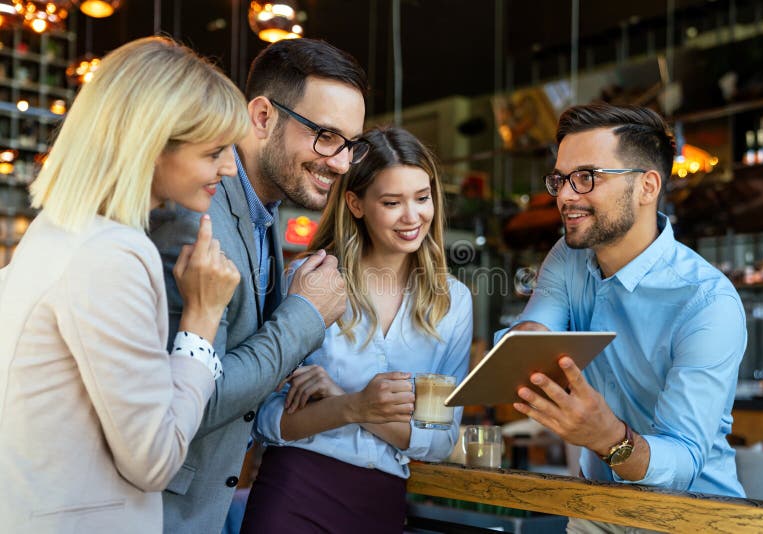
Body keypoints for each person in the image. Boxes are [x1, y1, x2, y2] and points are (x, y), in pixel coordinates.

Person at [0, 36, 248, 533]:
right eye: (215, 151)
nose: (229, 167)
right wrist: (201, 320)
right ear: (153, 146)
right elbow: (154, 460)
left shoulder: (54, 233)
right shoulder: (111, 254)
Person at [148, 38, 367, 533]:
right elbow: (190, 397)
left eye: (352, 144)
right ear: (263, 117)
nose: (341, 162)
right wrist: (305, 318)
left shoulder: (261, 212)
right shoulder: (196, 216)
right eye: (326, 136)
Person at [500, 103, 746, 531]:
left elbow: (684, 463)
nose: (563, 196)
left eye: (586, 178)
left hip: (694, 518)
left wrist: (606, 437)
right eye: (560, 179)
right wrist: (524, 343)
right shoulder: (568, 256)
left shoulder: (707, 301)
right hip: (598, 507)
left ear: (647, 186)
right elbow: (535, 331)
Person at [239, 126, 473, 534]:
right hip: (295, 493)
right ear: (356, 203)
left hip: (380, 505)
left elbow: (439, 440)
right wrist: (354, 407)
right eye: (391, 202)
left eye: (422, 198)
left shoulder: (452, 302)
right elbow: (264, 419)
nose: (412, 216)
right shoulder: (310, 277)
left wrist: (345, 401)